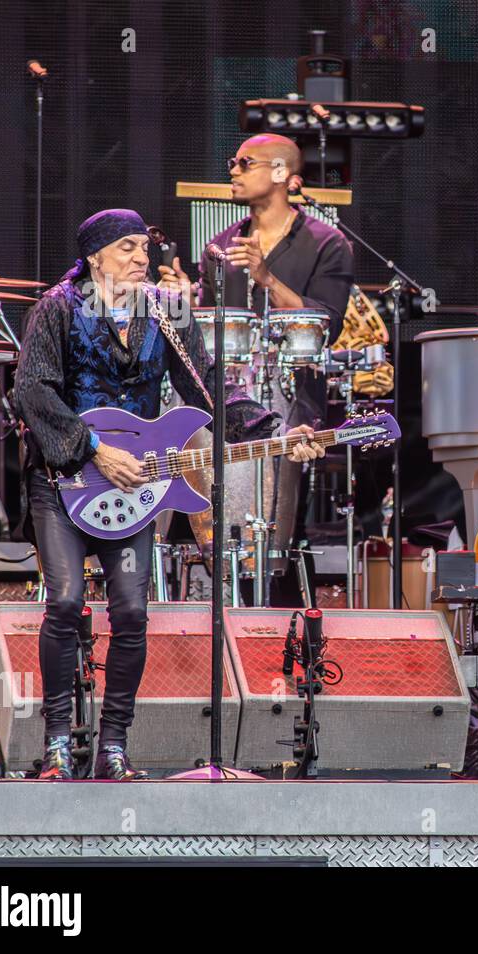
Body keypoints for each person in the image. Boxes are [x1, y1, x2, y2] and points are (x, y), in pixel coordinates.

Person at [14, 209, 324, 781]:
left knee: (131, 612)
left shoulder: (166, 309)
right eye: (128, 248)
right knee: (63, 601)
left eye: (145, 248)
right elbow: (32, 393)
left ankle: (113, 746)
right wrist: (92, 450)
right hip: (65, 479)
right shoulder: (57, 307)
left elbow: (209, 387)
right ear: (95, 256)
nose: (142, 259)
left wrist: (277, 435)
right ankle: (58, 741)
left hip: (136, 485)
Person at [159, 133, 353, 602]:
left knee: (278, 534)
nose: (234, 169)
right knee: (216, 515)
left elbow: (327, 323)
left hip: (293, 399)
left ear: (283, 174)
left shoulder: (329, 243)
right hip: (228, 399)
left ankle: (279, 633)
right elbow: (204, 340)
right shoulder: (220, 245)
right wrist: (184, 304)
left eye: (246, 162)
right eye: (234, 162)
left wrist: (266, 278)